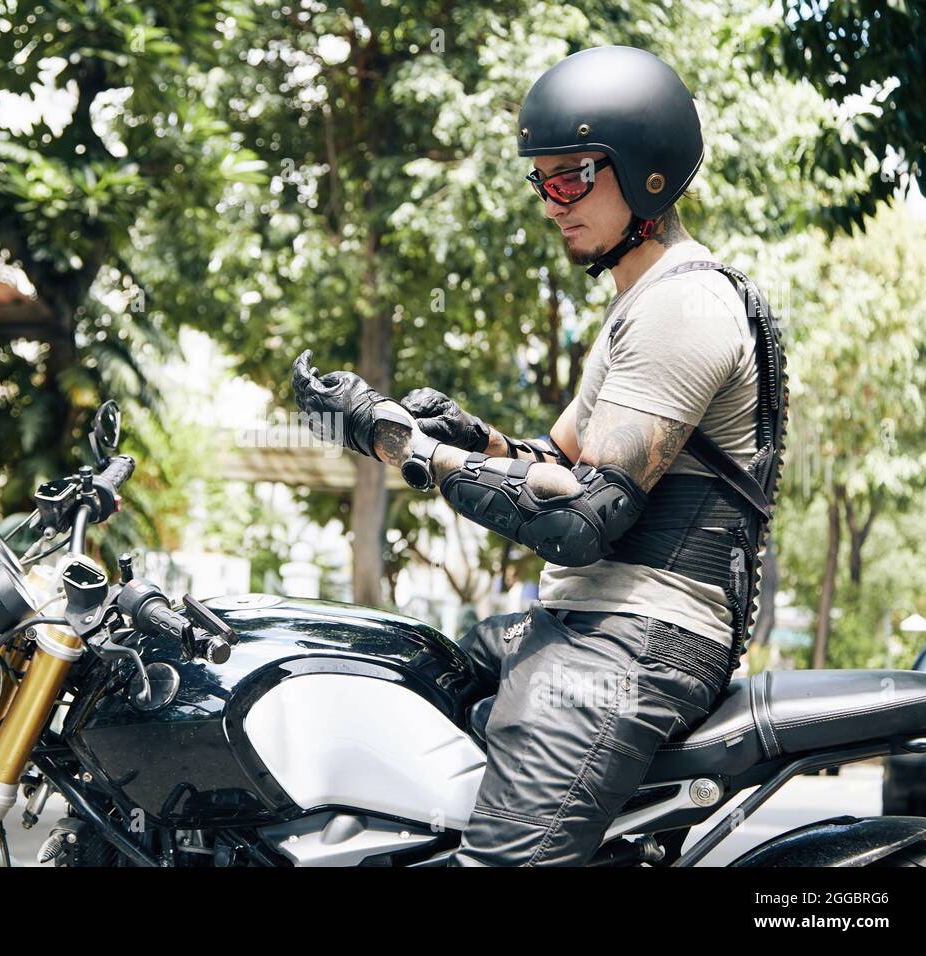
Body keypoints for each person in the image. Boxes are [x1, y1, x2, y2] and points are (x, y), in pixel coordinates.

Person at [291, 45, 786, 865]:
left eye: (570, 179)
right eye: (541, 182)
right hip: (586, 619)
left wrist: (404, 448)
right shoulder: (641, 303)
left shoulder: (686, 307)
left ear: (646, 173)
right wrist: (461, 435)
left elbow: (583, 517)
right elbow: (548, 461)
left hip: (637, 636)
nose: (551, 204)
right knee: (394, 673)